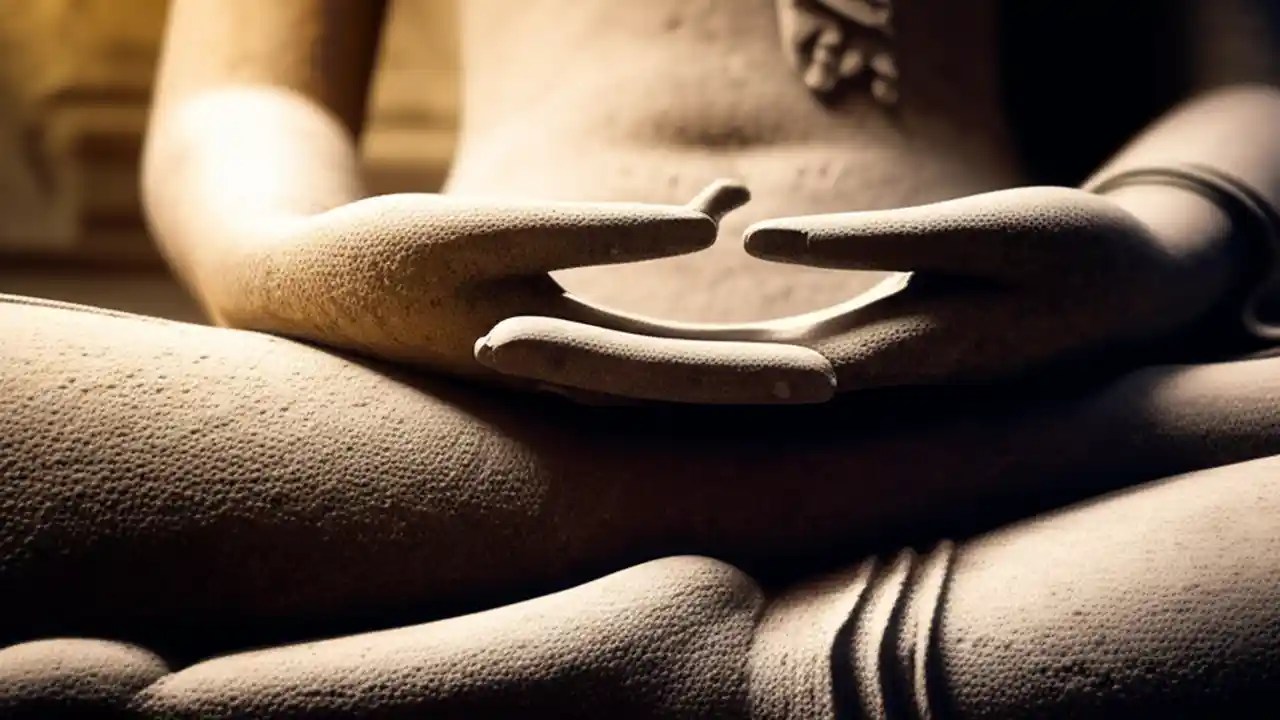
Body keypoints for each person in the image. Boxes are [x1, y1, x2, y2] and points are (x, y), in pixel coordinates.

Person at [1, 0, 1278, 716]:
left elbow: (1248, 78)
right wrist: (293, 264)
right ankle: (816, 584)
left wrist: (1159, 240)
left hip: (1001, 358)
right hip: (473, 406)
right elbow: (241, 101)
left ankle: (694, 661)